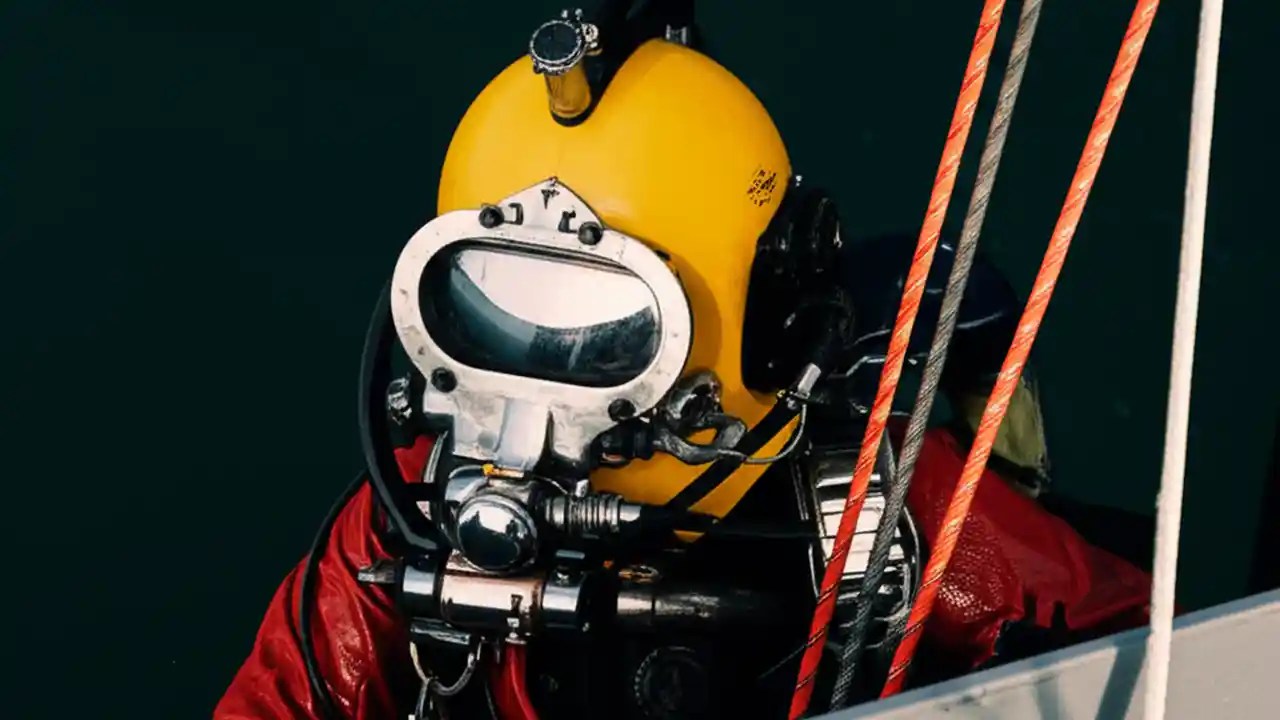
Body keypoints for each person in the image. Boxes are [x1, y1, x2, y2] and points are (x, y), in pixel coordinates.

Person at [217, 5, 1153, 718]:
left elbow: (1151, 654)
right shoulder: (414, 515)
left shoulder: (881, 507)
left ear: (761, 330)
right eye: (493, 313)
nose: (534, 391)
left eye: (601, 329)